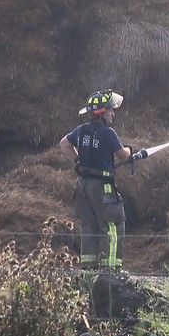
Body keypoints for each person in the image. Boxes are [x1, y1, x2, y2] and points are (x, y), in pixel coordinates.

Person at [60, 89, 144, 271]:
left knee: (89, 226)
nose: (113, 114)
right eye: (110, 110)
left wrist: (77, 160)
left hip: (82, 186)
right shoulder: (107, 133)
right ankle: (111, 270)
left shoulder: (81, 131)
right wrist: (130, 150)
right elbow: (123, 155)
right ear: (102, 112)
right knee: (113, 226)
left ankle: (88, 269)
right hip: (102, 187)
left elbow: (64, 143)